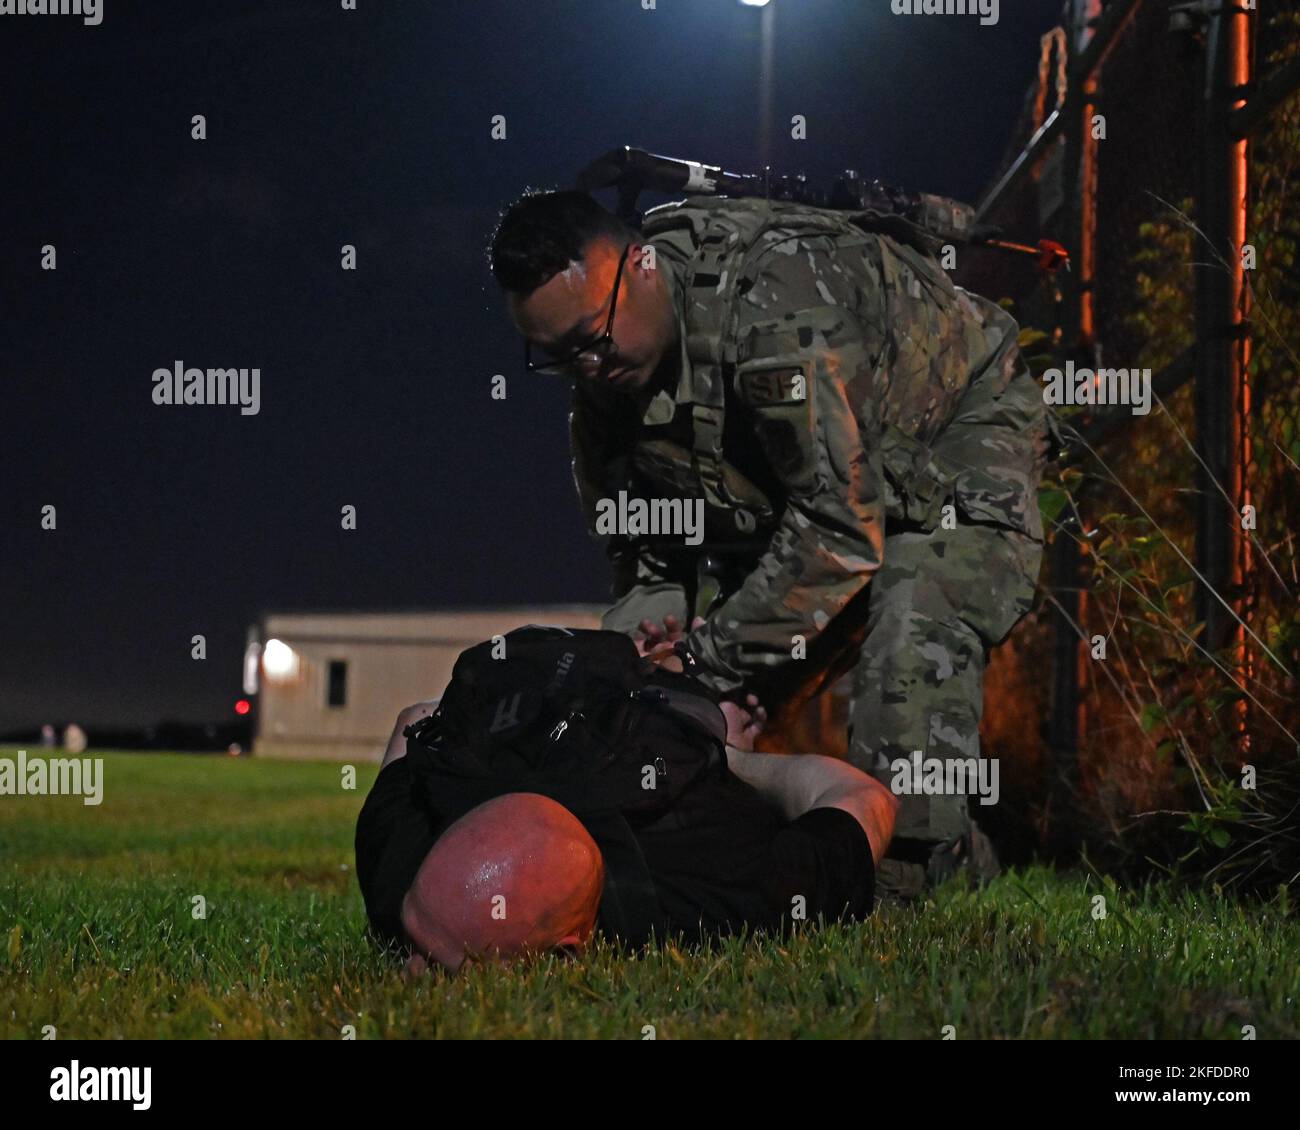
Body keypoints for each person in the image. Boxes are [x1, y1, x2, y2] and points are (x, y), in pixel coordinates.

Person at [488, 189, 1058, 897]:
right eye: (558, 356)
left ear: (641, 264)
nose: (587, 370)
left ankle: (915, 877)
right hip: (828, 498)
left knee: (914, 622)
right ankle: (722, 849)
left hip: (956, 431)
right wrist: (650, 654)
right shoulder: (603, 395)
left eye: (592, 339)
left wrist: (703, 658)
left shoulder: (776, 305)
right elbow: (644, 562)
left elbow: (840, 530)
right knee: (701, 710)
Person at [355, 694, 898, 976]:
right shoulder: (399, 873)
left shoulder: (717, 887)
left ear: (566, 956)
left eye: (444, 969)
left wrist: (733, 763)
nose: (407, 971)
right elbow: (421, 718)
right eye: (416, 938)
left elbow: (874, 800)